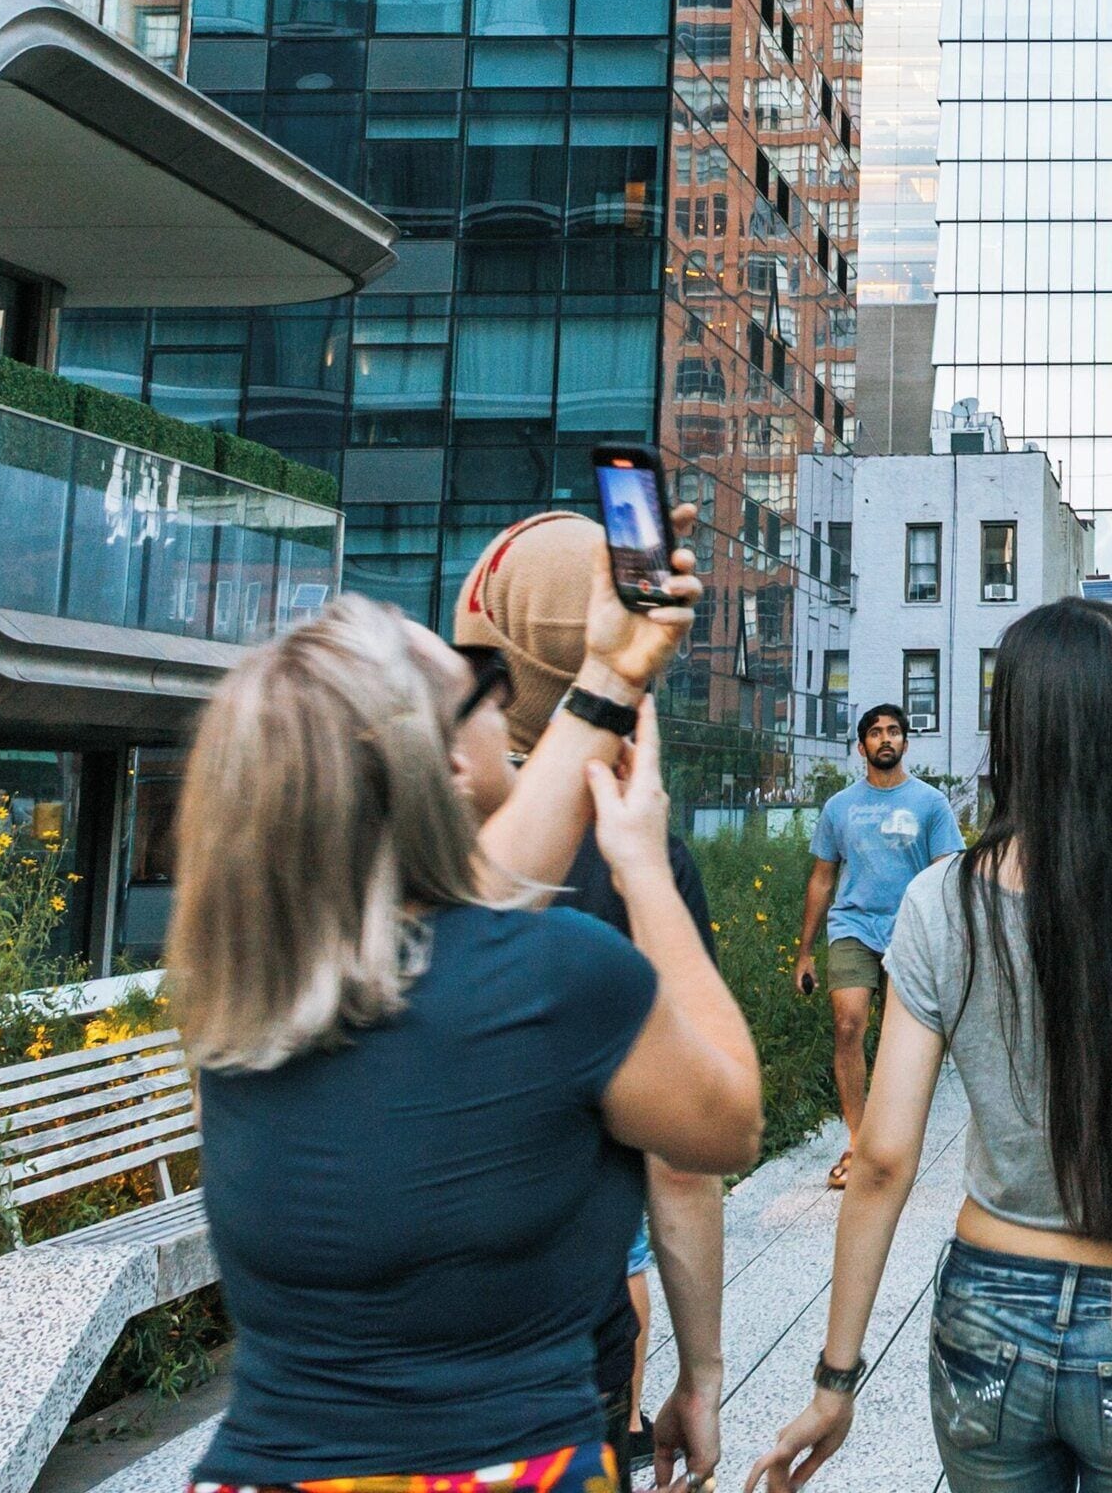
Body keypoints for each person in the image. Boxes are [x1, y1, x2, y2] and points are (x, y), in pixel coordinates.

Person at [167, 576, 759, 1493]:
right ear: (435, 767)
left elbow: (469, 902)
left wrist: (611, 670)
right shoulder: (559, 974)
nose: (507, 701)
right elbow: (729, 1120)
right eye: (482, 687)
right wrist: (641, 865)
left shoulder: (240, 996)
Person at [745, 601, 1112, 1493]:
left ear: (1012, 728)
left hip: (987, 1309)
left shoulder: (946, 899)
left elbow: (883, 1159)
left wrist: (835, 1381)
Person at [454, 511, 735, 1490]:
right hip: (560, 1369)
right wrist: (700, 1373)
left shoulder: (380, 834)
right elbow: (688, 1160)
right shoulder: (637, 856)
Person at [795, 705, 961, 1186]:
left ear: (905, 743)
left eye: (893, 732)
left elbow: (946, 876)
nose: (884, 739)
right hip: (853, 928)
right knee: (848, 1025)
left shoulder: (931, 804)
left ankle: (894, 1142)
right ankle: (858, 1141)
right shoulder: (839, 807)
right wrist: (804, 952)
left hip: (911, 932)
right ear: (861, 746)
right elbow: (823, 879)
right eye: (874, 732)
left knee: (897, 1043)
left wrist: (949, 942)